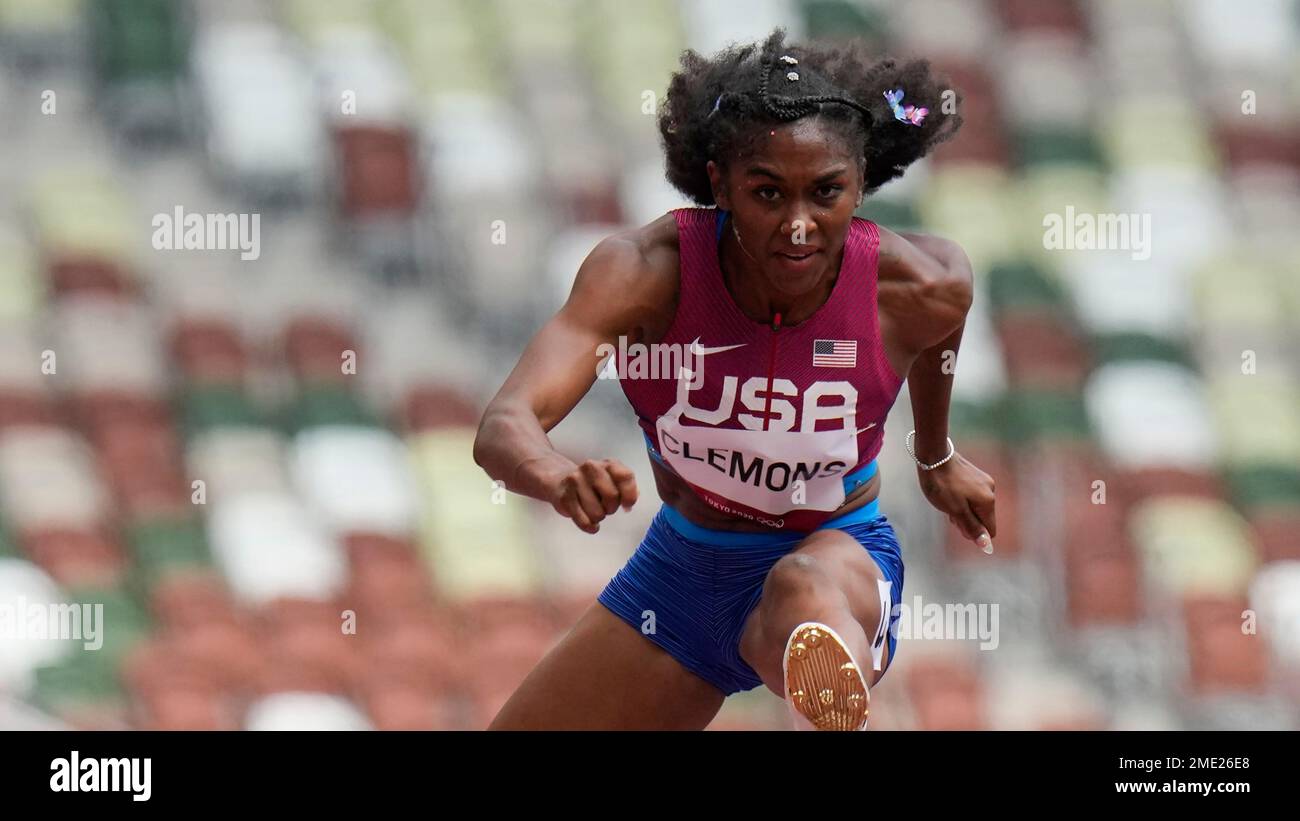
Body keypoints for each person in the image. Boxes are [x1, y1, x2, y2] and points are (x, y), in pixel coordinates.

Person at [473, 29, 997, 730]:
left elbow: (943, 332)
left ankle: (829, 688)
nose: (800, 225)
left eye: (827, 193)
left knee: (798, 592)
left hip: (836, 550)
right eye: (768, 194)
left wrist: (935, 452)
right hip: (684, 573)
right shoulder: (645, 274)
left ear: (861, 182)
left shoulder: (921, 285)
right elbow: (504, 424)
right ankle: (778, 648)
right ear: (719, 182)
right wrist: (553, 473)